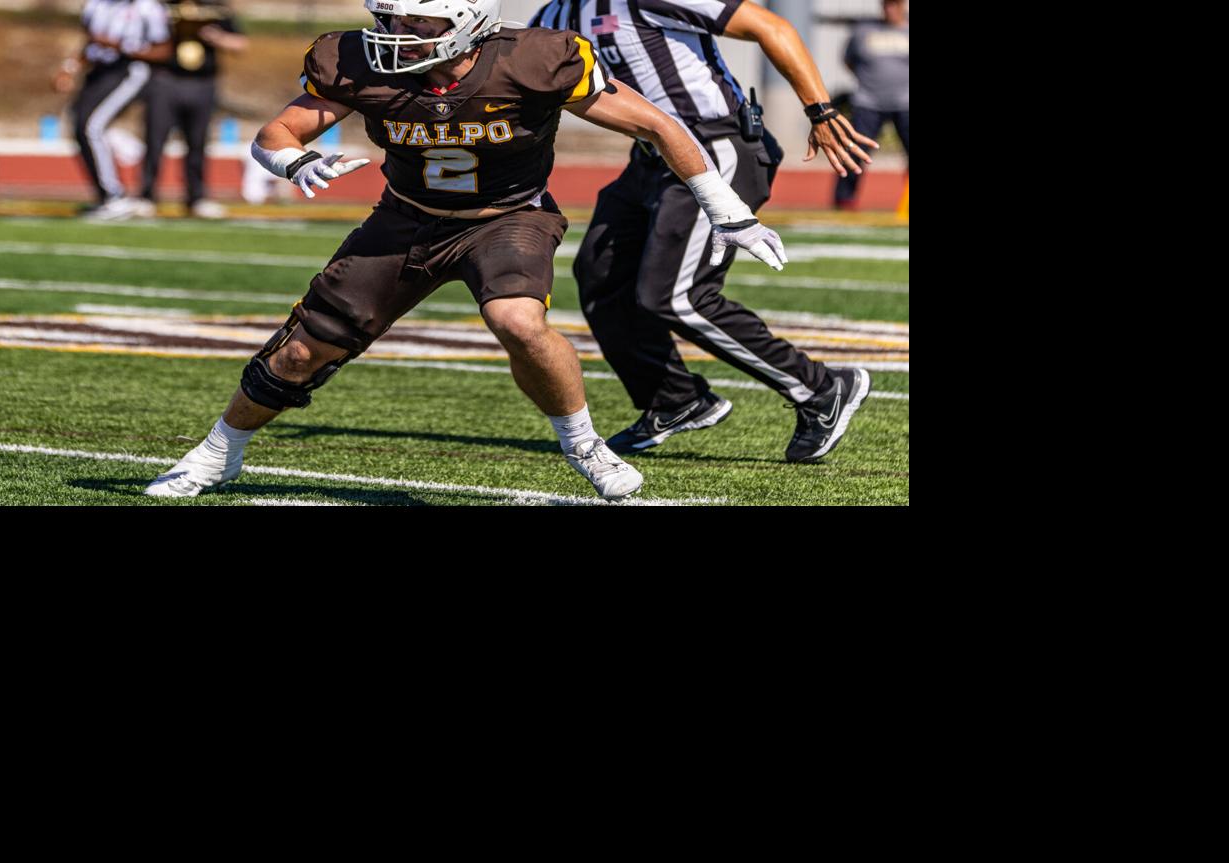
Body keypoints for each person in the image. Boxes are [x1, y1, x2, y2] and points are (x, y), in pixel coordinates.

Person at [144, 0, 789, 501]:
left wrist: (726, 210)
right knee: (303, 350)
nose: (395, 33)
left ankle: (585, 446)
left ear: (466, 23)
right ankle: (218, 452)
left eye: (413, 21)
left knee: (517, 319)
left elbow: (656, 123)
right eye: (388, 18)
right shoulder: (355, 61)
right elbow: (278, 130)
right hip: (405, 219)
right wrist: (290, 160)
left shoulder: (535, 58)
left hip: (507, 218)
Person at [531, 0, 878, 462]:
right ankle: (676, 399)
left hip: (717, 146)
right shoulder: (552, 15)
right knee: (600, 276)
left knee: (677, 294)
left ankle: (823, 388)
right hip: (651, 157)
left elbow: (772, 26)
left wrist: (821, 111)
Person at [55, 0, 170, 219]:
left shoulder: (148, 8)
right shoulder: (95, 5)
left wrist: (119, 46)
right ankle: (106, 196)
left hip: (129, 70)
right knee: (81, 125)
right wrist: (69, 69)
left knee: (91, 126)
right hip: (99, 72)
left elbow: (163, 50)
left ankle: (114, 197)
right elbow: (89, 43)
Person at [141, 0, 246, 218]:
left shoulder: (215, 8)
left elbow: (240, 44)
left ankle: (196, 198)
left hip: (202, 82)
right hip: (165, 79)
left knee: (197, 143)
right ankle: (146, 196)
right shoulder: (160, 7)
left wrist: (212, 36)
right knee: (154, 140)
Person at [835, 0, 907, 209]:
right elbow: (848, 60)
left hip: (905, 103)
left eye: (896, 4)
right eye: (887, 4)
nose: (891, 9)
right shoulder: (863, 31)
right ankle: (844, 200)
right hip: (867, 102)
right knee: (854, 153)